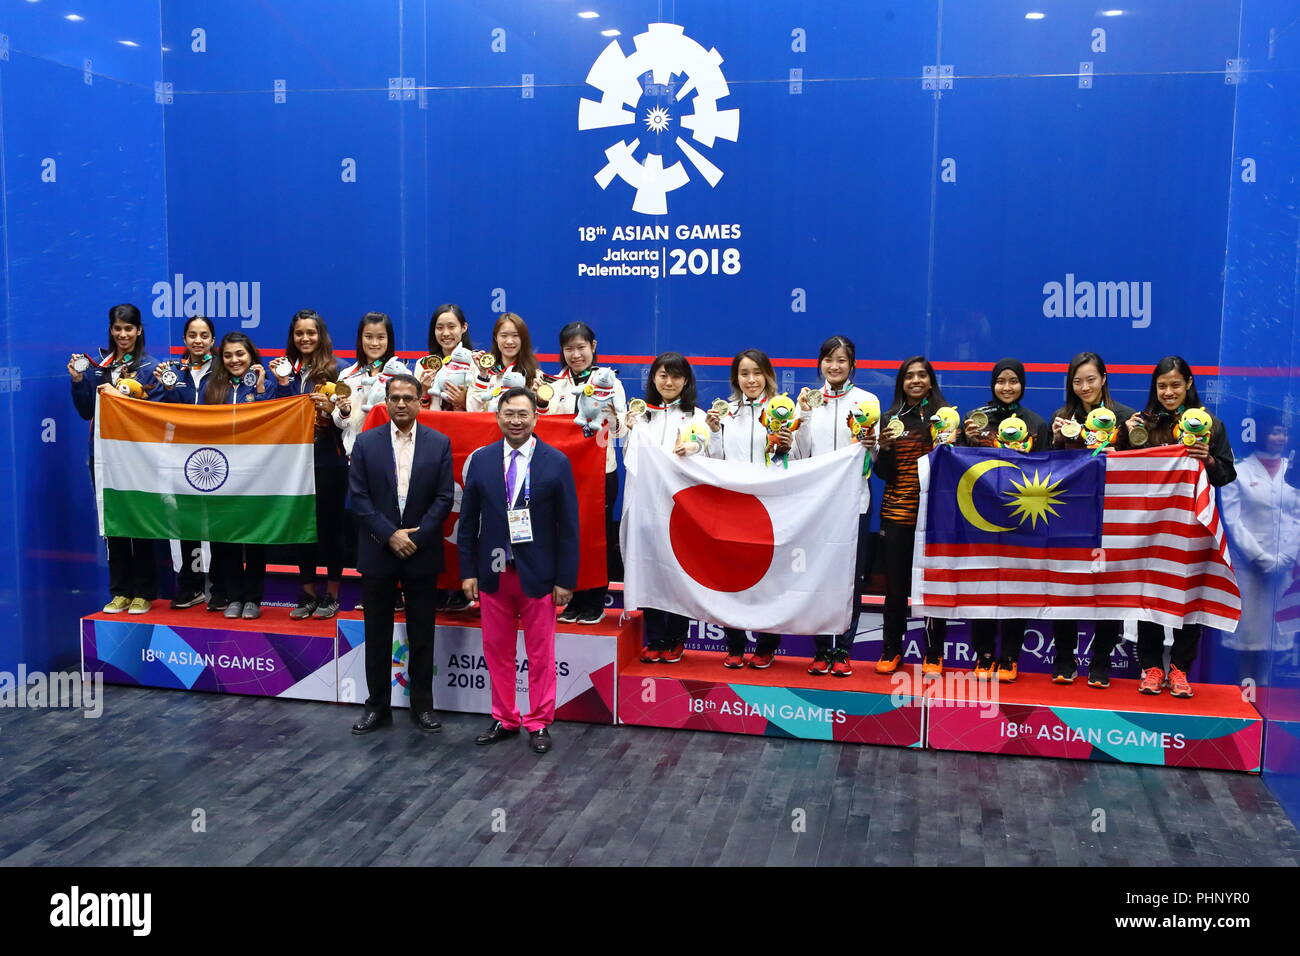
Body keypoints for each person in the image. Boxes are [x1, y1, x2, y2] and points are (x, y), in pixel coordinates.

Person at [459, 387, 580, 754]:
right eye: (509, 413)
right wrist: (468, 571)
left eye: (522, 414)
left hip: (539, 575)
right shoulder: (481, 461)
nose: (515, 420)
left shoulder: (555, 462)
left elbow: (569, 528)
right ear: (497, 417)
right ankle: (506, 717)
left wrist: (565, 580)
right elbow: (467, 524)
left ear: (535, 417)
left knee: (540, 652)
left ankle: (540, 720)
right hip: (494, 572)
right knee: (497, 650)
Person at [1123, 356, 1237, 698]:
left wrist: (1209, 459)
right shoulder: (1141, 423)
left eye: (1175, 385)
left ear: (1188, 384)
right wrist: (1129, 439)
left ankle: (1180, 670)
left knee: (1191, 597)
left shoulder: (1211, 425)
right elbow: (1121, 469)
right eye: (1162, 386)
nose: (1168, 392)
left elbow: (1227, 475)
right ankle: (1152, 669)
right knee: (1149, 596)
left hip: (1193, 525)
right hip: (1152, 526)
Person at [347, 374, 455, 735]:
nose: (401, 404)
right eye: (395, 398)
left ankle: (422, 706)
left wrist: (419, 536)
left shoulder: (439, 443)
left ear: (421, 401)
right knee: (376, 632)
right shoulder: (365, 443)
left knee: (422, 632)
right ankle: (376, 707)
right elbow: (358, 499)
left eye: (409, 397)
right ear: (387, 402)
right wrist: (389, 534)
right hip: (379, 549)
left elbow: (444, 498)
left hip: (421, 551)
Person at [705, 349, 801, 669]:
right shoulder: (726, 412)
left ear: (768, 375)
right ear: (736, 378)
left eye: (757, 373)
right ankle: (734, 644)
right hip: (733, 508)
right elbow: (715, 462)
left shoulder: (784, 411)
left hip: (771, 508)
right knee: (732, 579)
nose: (751, 380)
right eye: (744, 373)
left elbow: (798, 463)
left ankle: (766, 645)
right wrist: (715, 432)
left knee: (768, 579)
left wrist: (787, 446)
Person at [960, 358, 1052, 683]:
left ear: (1023, 385)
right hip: (981, 519)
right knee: (982, 586)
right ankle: (983, 655)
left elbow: (1047, 472)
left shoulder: (1037, 424)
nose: (1007, 387)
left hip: (1021, 519)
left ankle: (1010, 656)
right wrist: (965, 439)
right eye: (1001, 381)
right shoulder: (974, 421)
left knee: (1016, 587)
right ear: (993, 384)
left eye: (1014, 381)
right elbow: (956, 465)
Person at [1048, 351, 1135, 687]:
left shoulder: (1124, 418)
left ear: (1104, 378)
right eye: (1077, 381)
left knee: (1108, 588)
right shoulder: (1060, 416)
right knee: (1066, 585)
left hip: (1113, 515)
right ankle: (1065, 658)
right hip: (1069, 513)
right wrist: (1057, 439)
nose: (1085, 387)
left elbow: (1139, 468)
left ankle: (1101, 660)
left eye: (1091, 379)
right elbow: (1045, 467)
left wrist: (1121, 454)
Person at [69, 304, 162, 614]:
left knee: (140, 525)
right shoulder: (99, 366)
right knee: (114, 526)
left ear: (139, 330)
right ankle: (120, 591)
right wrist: (79, 382)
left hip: (138, 458)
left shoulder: (151, 367)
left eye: (128, 328)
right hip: (103, 457)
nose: (123, 334)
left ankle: (144, 592)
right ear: (111, 330)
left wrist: (123, 395)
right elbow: (87, 412)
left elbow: (154, 415)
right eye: (117, 328)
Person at [794, 335, 879, 677]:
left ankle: (843, 650)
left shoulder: (867, 401)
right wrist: (803, 415)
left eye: (841, 360)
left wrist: (872, 445)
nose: (835, 366)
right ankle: (819, 650)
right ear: (820, 363)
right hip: (816, 506)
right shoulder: (807, 400)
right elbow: (799, 454)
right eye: (829, 359)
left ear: (852, 365)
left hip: (854, 503)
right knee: (816, 577)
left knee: (850, 580)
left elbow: (872, 460)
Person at [623, 351, 709, 664]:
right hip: (646, 508)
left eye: (675, 376)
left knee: (677, 575)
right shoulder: (641, 415)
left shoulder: (697, 417)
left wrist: (694, 447)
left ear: (686, 381)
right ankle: (655, 638)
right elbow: (630, 460)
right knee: (649, 571)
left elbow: (704, 445)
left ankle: (676, 638)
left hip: (681, 512)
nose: (668, 381)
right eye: (662, 375)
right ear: (653, 379)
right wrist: (630, 429)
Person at [201, 332, 293, 618]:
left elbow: (284, 411)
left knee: (254, 539)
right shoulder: (212, 386)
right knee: (225, 539)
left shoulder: (263, 380)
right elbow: (201, 424)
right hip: (222, 473)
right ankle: (233, 597)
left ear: (251, 354)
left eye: (240, 354)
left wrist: (266, 387)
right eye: (227, 355)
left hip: (256, 473)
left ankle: (253, 598)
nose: (234, 360)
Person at [545, 321, 626, 625]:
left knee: (596, 535)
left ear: (593, 347)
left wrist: (610, 415)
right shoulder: (554, 385)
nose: (575, 354)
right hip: (562, 473)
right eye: (569, 348)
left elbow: (620, 431)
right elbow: (547, 428)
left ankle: (594, 600)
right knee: (564, 534)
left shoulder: (610, 382)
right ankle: (574, 599)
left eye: (581, 347)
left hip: (600, 471)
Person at [874, 356, 950, 676]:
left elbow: (953, 470)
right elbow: (881, 473)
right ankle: (892, 650)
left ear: (931, 381)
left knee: (934, 585)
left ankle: (933, 653)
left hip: (935, 517)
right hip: (897, 514)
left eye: (922, 375)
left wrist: (957, 442)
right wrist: (885, 448)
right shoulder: (890, 418)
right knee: (896, 587)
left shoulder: (946, 418)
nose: (916, 380)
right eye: (909, 376)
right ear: (901, 383)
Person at [277, 310, 346, 620]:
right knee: (301, 528)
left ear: (322, 336)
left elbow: (348, 419)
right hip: (293, 464)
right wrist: (282, 385)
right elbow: (277, 413)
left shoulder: (338, 371)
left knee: (331, 529)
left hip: (328, 461)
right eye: (299, 333)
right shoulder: (285, 371)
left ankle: (332, 594)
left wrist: (333, 409)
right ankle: (306, 593)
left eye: (311, 333)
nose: (305, 338)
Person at [1220, 410, 1298, 685]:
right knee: (1248, 636)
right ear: (1262, 433)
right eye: (1275, 431)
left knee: (1275, 636)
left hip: (1284, 567)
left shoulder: (1293, 471)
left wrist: (1285, 557)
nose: (1280, 437)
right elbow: (1232, 520)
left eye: (1284, 432)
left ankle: (1264, 688)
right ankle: (1244, 689)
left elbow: (1297, 517)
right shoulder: (1239, 471)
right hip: (1249, 568)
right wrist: (1262, 558)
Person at [153, 314, 216, 609]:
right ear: (184, 340)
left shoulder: (223, 371)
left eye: (204, 335)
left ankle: (220, 584)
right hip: (182, 457)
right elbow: (160, 411)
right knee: (187, 521)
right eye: (192, 335)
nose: (198, 340)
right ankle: (190, 586)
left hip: (218, 458)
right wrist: (165, 388)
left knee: (217, 521)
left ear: (212, 340)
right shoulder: (172, 372)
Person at [333, 312, 408, 456]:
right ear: (360, 339)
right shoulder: (347, 375)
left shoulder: (403, 375)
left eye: (380, 337)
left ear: (389, 339)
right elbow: (340, 422)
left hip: (394, 452)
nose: (374, 343)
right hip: (357, 453)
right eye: (368, 337)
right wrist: (344, 412)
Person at [466, 312, 542, 411]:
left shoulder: (535, 376)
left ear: (523, 339)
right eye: (504, 335)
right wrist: (483, 376)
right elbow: (472, 411)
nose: (509, 341)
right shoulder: (481, 371)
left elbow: (538, 418)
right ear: (495, 338)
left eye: (515, 335)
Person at [416, 303, 475, 411]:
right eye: (439, 328)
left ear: (464, 327)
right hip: (433, 426)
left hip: (465, 425)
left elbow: (485, 408)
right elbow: (416, 412)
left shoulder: (476, 363)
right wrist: (424, 392)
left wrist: (465, 401)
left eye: (451, 327)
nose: (446, 333)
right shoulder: (423, 364)